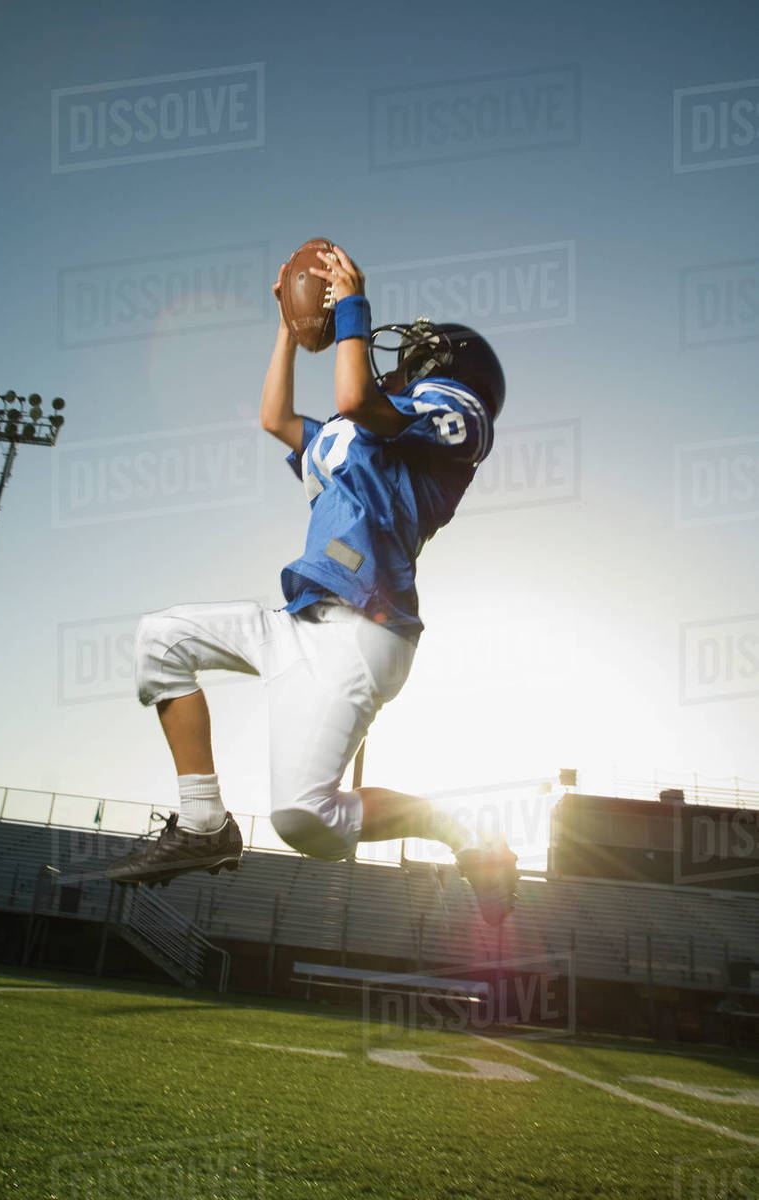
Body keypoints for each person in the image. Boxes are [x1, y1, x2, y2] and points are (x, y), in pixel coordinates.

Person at [106, 245, 517, 924]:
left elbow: (355, 397)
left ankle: (460, 830)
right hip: (299, 617)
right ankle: (204, 823)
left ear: (446, 367)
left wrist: (352, 307)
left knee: (305, 820)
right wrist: (287, 330)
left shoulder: (456, 412)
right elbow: (276, 419)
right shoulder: (350, 432)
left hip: (365, 628)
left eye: (415, 355)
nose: (398, 359)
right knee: (162, 640)